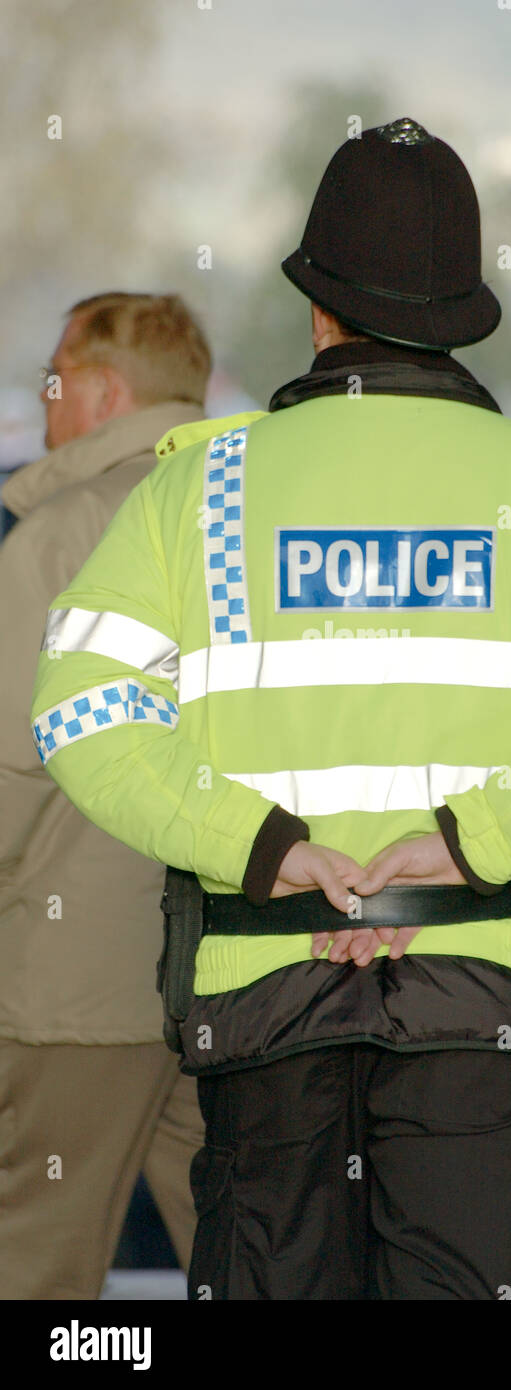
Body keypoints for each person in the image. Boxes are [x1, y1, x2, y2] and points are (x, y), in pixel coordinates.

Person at [30, 122, 511, 1301]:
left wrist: (263, 847)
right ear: (464, 313)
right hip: (482, 1001)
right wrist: (470, 842)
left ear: (318, 313)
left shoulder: (201, 485)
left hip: (259, 997)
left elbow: (80, 712)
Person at [0, 292, 210, 1299]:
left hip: (82, 970)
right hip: (247, 964)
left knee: (38, 1256)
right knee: (253, 1251)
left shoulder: (65, 526)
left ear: (101, 391)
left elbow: (11, 759)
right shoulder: (254, 516)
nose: (43, 404)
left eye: (52, 379)